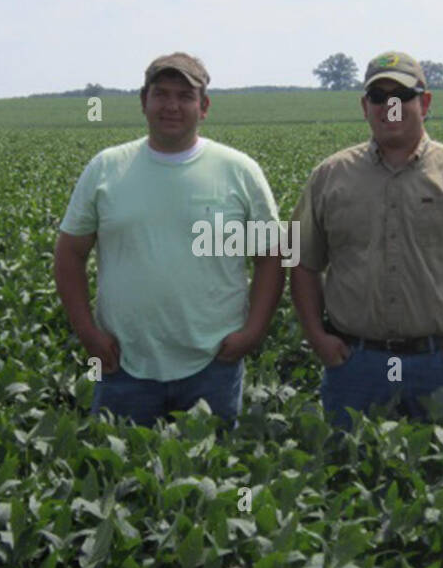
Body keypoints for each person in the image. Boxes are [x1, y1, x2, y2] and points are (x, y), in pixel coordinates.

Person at [290, 50, 443, 427]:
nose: (390, 107)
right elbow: (302, 263)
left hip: (440, 365)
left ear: (426, 102)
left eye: (401, 96)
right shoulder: (330, 177)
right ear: (364, 106)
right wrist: (317, 338)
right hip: (356, 365)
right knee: (347, 477)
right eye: (377, 97)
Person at [54, 52, 283, 427]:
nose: (172, 106)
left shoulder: (239, 171)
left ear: (204, 106)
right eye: (161, 94)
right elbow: (69, 254)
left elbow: (271, 256)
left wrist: (253, 332)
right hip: (122, 363)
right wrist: (88, 335)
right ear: (144, 102)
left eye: (184, 95)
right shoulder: (106, 168)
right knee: (122, 478)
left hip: (213, 363)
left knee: (213, 475)